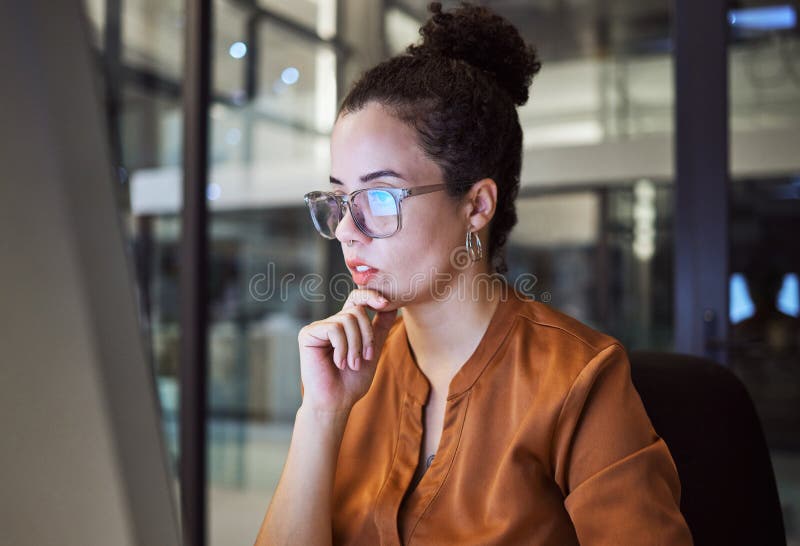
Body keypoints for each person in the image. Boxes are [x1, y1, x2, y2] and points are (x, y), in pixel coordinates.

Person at [255, 2, 693, 544]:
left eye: (378, 196)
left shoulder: (578, 380)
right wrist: (321, 413)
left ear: (477, 206)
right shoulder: (350, 369)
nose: (347, 228)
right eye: (340, 199)